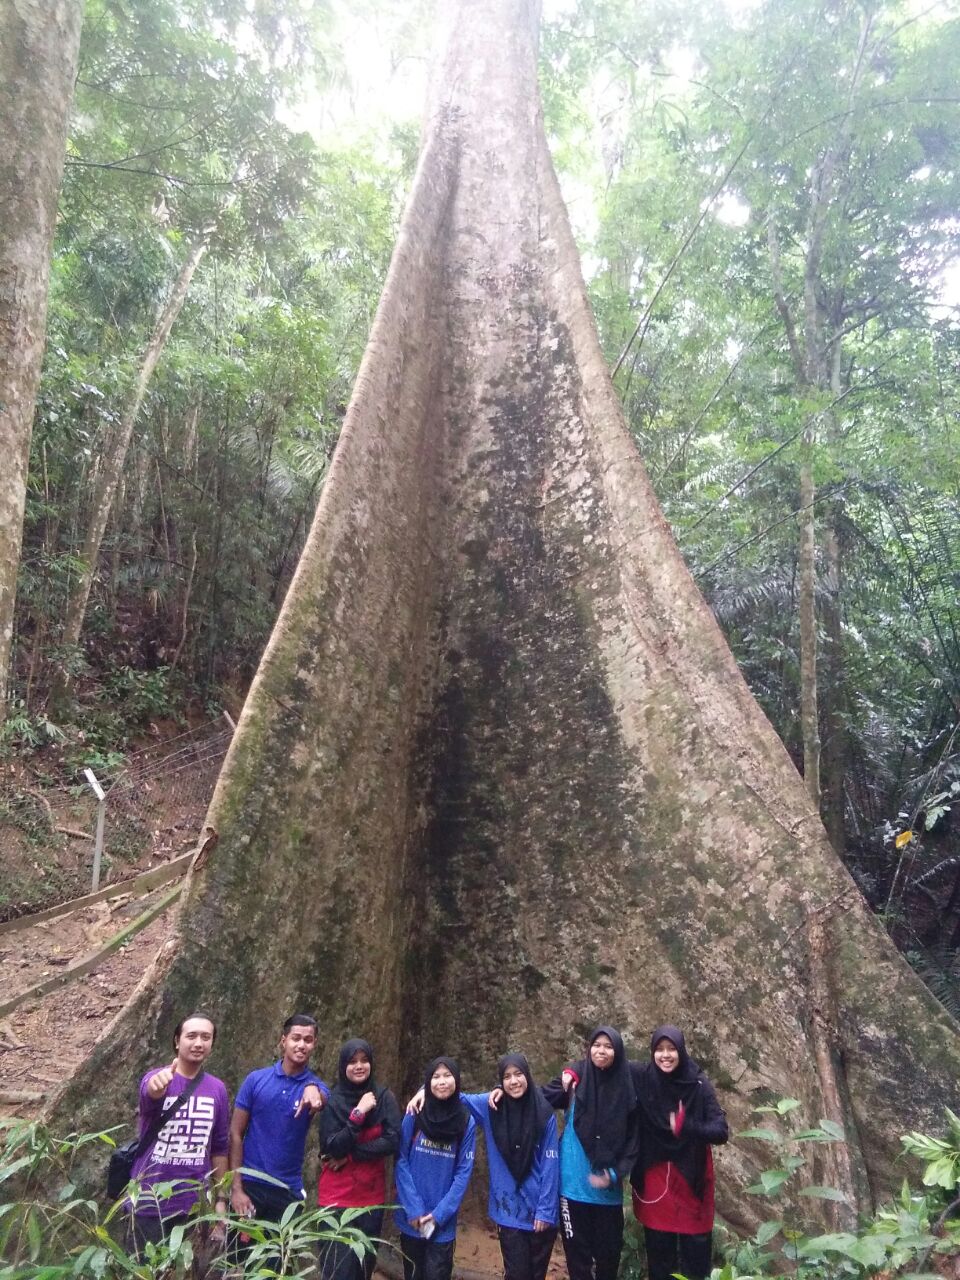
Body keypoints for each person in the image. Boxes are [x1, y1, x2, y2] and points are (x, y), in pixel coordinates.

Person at [125, 1011, 230, 1257]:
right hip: (149, 1201)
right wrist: (155, 1087)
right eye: (191, 1036)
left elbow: (219, 1147)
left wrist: (221, 1201)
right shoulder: (158, 1078)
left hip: (193, 1206)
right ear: (176, 1040)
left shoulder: (217, 1089)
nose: (198, 1043)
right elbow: (150, 1092)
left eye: (206, 1037)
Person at [630, 1025, 728, 1280]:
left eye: (671, 1049)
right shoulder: (642, 1077)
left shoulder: (697, 1084)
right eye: (660, 1049)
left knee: (695, 1252)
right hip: (655, 1175)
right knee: (660, 1254)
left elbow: (721, 1131)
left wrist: (688, 1127)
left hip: (691, 1178)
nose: (665, 1055)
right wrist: (572, 1073)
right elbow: (605, 1060)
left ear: (681, 1051)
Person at [542, 1026, 640, 1280]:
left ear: (618, 1052)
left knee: (608, 1262)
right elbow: (535, 1098)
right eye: (596, 1045)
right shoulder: (574, 1084)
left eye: (608, 1046)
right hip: (571, 1189)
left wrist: (615, 1174)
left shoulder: (627, 1090)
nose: (601, 1051)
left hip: (607, 1194)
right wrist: (499, 1089)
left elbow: (633, 1143)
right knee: (578, 1264)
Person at [229, 1014, 328, 1231]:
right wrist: (236, 1188)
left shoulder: (316, 1085)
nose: (301, 1045)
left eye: (308, 1040)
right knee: (240, 1251)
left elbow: (321, 1098)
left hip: (287, 1190)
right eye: (296, 1038)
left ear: (314, 1044)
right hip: (250, 1185)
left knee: (280, 1252)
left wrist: (313, 1090)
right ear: (284, 1041)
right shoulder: (256, 1080)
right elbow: (235, 1133)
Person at [317, 1038, 402, 1280]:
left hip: (370, 1200)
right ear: (343, 1065)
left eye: (364, 1060)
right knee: (336, 1270)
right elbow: (333, 1148)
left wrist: (352, 1155)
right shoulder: (334, 1101)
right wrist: (358, 1113)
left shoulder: (384, 1098)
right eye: (352, 1061)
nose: (359, 1066)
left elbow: (392, 1141)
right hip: (336, 1200)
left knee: (362, 1269)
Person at [394, 1057, 476, 1280]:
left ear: (456, 1080)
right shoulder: (415, 1112)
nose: (442, 1082)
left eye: (448, 1076)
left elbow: (463, 1172)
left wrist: (439, 1215)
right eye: (436, 1076)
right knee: (413, 1274)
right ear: (428, 1081)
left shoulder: (465, 1121)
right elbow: (400, 1158)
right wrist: (414, 1208)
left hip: (442, 1223)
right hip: (412, 1217)